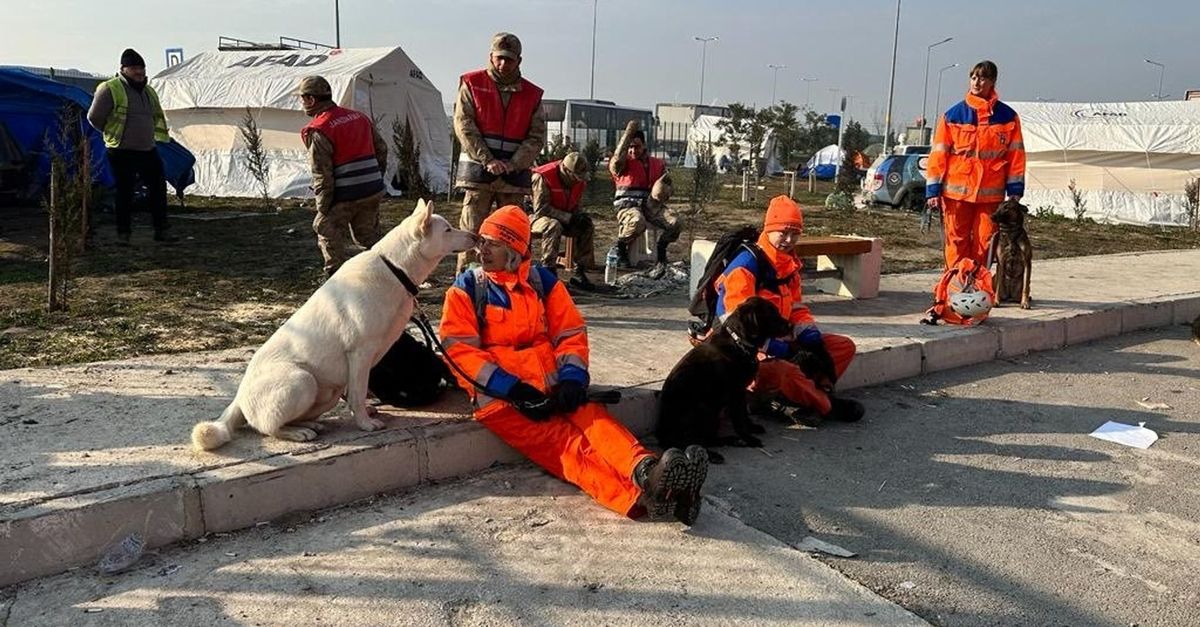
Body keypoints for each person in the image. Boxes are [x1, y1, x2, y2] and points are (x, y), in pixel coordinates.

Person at [439, 205, 709, 524]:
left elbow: (570, 333)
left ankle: (649, 472)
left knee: (596, 422)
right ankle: (642, 498)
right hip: (502, 401)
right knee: (568, 446)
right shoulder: (467, 290)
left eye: (493, 243)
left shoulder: (544, 283)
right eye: (482, 241)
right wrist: (512, 390)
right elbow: (460, 352)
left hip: (554, 387)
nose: (482, 249)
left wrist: (571, 379)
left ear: (515, 249)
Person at [714, 195, 865, 426]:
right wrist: (774, 347)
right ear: (768, 229)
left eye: (795, 233)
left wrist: (808, 333)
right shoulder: (746, 266)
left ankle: (797, 395)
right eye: (783, 232)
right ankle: (827, 405)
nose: (788, 239)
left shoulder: (788, 264)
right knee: (786, 371)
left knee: (842, 347)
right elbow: (734, 326)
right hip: (746, 354)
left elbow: (795, 307)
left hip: (782, 340)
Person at [453, 32, 546, 273]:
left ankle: (512, 287)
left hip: (513, 179)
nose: (503, 64)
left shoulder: (532, 95)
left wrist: (514, 164)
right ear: (491, 57)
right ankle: (467, 287)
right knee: (471, 235)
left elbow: (536, 137)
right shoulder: (472, 84)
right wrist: (488, 160)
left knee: (513, 236)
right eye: (499, 58)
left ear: (519, 61)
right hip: (478, 175)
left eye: (509, 60)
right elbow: (464, 126)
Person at [925, 60, 1026, 270]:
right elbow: (938, 155)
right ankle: (954, 287)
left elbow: (1016, 155)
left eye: (982, 78)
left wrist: (1015, 190)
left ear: (992, 82)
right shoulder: (953, 116)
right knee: (956, 242)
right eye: (973, 77)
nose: (976, 82)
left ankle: (979, 289)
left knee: (986, 243)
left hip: (990, 196)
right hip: (956, 195)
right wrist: (933, 190)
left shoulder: (1008, 117)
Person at [297, 76, 388, 277]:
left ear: (311, 100)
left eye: (302, 98)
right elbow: (382, 149)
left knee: (325, 227)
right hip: (372, 189)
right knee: (368, 237)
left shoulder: (319, 129)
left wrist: (323, 208)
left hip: (346, 194)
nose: (301, 103)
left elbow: (322, 175)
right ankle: (385, 272)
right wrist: (376, 178)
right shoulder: (359, 117)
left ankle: (335, 278)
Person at [87, 48, 177, 245]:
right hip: (121, 150)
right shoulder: (110, 89)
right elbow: (94, 117)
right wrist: (110, 131)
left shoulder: (149, 91)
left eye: (142, 68)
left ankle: (161, 230)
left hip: (147, 149)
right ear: (123, 69)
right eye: (134, 68)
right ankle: (123, 233)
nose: (139, 72)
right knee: (124, 192)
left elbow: (155, 117)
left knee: (158, 190)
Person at [608, 119, 680, 274]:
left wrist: (665, 192)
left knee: (676, 222)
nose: (633, 151)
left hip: (651, 205)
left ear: (644, 145)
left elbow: (669, 186)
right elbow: (617, 158)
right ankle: (620, 247)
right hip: (627, 206)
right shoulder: (621, 163)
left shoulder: (657, 164)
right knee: (637, 221)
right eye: (630, 147)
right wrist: (627, 136)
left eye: (637, 146)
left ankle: (661, 251)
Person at [529, 152, 598, 289]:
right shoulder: (543, 177)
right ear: (566, 170)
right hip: (534, 218)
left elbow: (576, 204)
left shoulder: (579, 181)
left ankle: (580, 271)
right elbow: (541, 209)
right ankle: (548, 271)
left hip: (564, 216)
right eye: (576, 177)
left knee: (586, 226)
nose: (578, 180)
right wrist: (568, 217)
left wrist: (579, 217)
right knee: (553, 226)